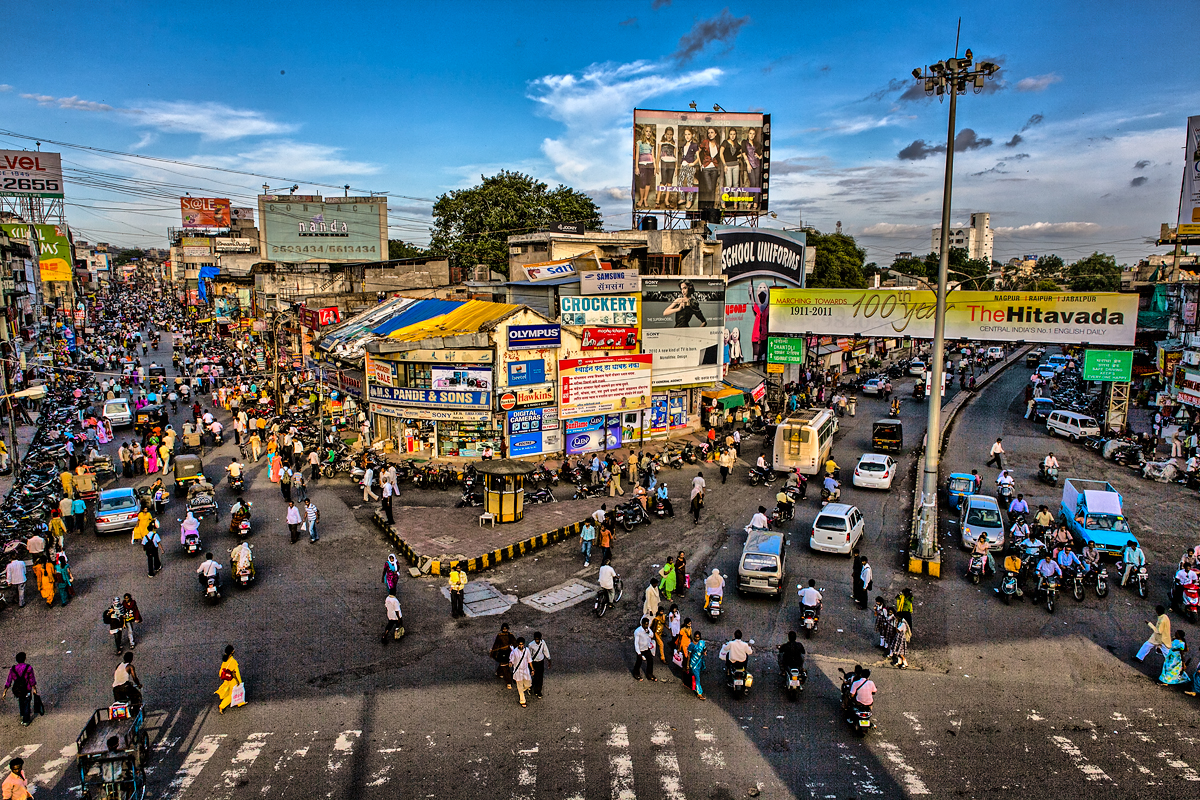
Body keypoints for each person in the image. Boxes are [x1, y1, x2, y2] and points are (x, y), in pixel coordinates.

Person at [2, 654, 36, 727]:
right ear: (25, 659)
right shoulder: (28, 668)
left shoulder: (13, 669)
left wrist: (5, 691)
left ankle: (22, 714)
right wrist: (34, 689)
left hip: (18, 690)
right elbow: (31, 679)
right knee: (27, 703)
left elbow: (9, 680)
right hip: (26, 689)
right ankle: (26, 720)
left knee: (21, 701)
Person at [215, 644, 245, 713]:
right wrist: (237, 681)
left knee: (235, 691)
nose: (234, 650)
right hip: (233, 680)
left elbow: (221, 671)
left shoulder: (225, 660)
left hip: (227, 679)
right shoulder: (233, 661)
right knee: (233, 693)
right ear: (231, 652)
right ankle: (222, 705)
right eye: (233, 650)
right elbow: (234, 673)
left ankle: (240, 702)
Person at [490, 623, 516, 688]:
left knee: (504, 665)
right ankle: (508, 682)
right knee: (505, 667)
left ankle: (499, 672)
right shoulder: (500, 636)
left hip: (508, 652)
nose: (504, 630)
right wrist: (493, 651)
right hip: (502, 652)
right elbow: (496, 644)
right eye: (503, 629)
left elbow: (515, 643)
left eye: (506, 629)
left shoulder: (510, 635)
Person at [529, 632, 551, 698]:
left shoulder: (543, 643)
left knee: (540, 677)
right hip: (534, 662)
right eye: (536, 639)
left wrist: (549, 659)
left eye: (538, 639)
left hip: (541, 662)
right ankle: (531, 687)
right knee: (535, 676)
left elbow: (545, 650)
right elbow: (529, 655)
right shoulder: (531, 645)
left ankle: (538, 691)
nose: (537, 641)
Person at [688, 630, 707, 699]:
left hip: (700, 661)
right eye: (696, 637)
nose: (697, 639)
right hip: (694, 663)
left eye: (698, 637)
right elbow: (689, 655)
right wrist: (687, 664)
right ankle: (699, 693)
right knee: (697, 677)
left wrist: (704, 652)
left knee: (695, 674)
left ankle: (691, 683)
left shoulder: (702, 643)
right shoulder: (691, 645)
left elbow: (704, 649)